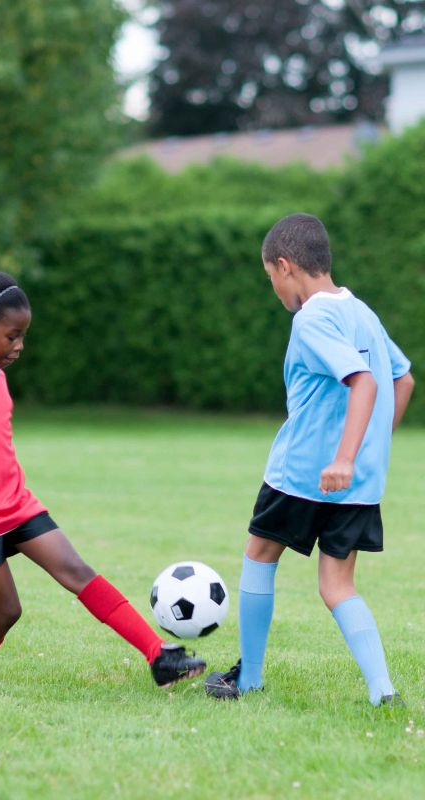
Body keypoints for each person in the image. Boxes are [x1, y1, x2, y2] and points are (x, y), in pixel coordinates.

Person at [0, 257, 206, 687]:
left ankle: (158, 655)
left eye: (22, 336)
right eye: (12, 336)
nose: (19, 346)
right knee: (7, 610)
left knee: (76, 570)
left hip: (15, 504)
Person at [205, 213, 414, 706]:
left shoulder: (311, 317)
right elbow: (402, 379)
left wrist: (344, 457)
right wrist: (366, 453)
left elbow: (362, 381)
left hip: (301, 474)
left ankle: (249, 679)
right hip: (359, 484)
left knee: (259, 556)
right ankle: (383, 691)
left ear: (285, 266)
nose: (274, 289)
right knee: (338, 585)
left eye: (270, 277)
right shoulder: (362, 313)